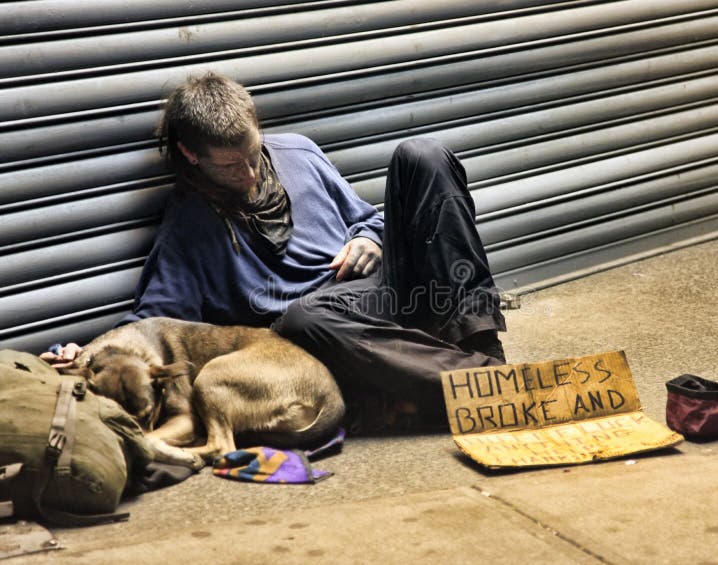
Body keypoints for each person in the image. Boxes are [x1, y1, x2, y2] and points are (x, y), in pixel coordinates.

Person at [41, 72, 507, 429]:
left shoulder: (300, 152)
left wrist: (368, 239)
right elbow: (154, 322)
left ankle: (486, 351)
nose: (247, 173)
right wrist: (82, 353)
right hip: (324, 340)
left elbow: (369, 218)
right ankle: (475, 387)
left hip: (381, 298)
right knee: (305, 317)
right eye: (229, 165)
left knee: (422, 154)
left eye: (251, 154)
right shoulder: (188, 221)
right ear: (190, 154)